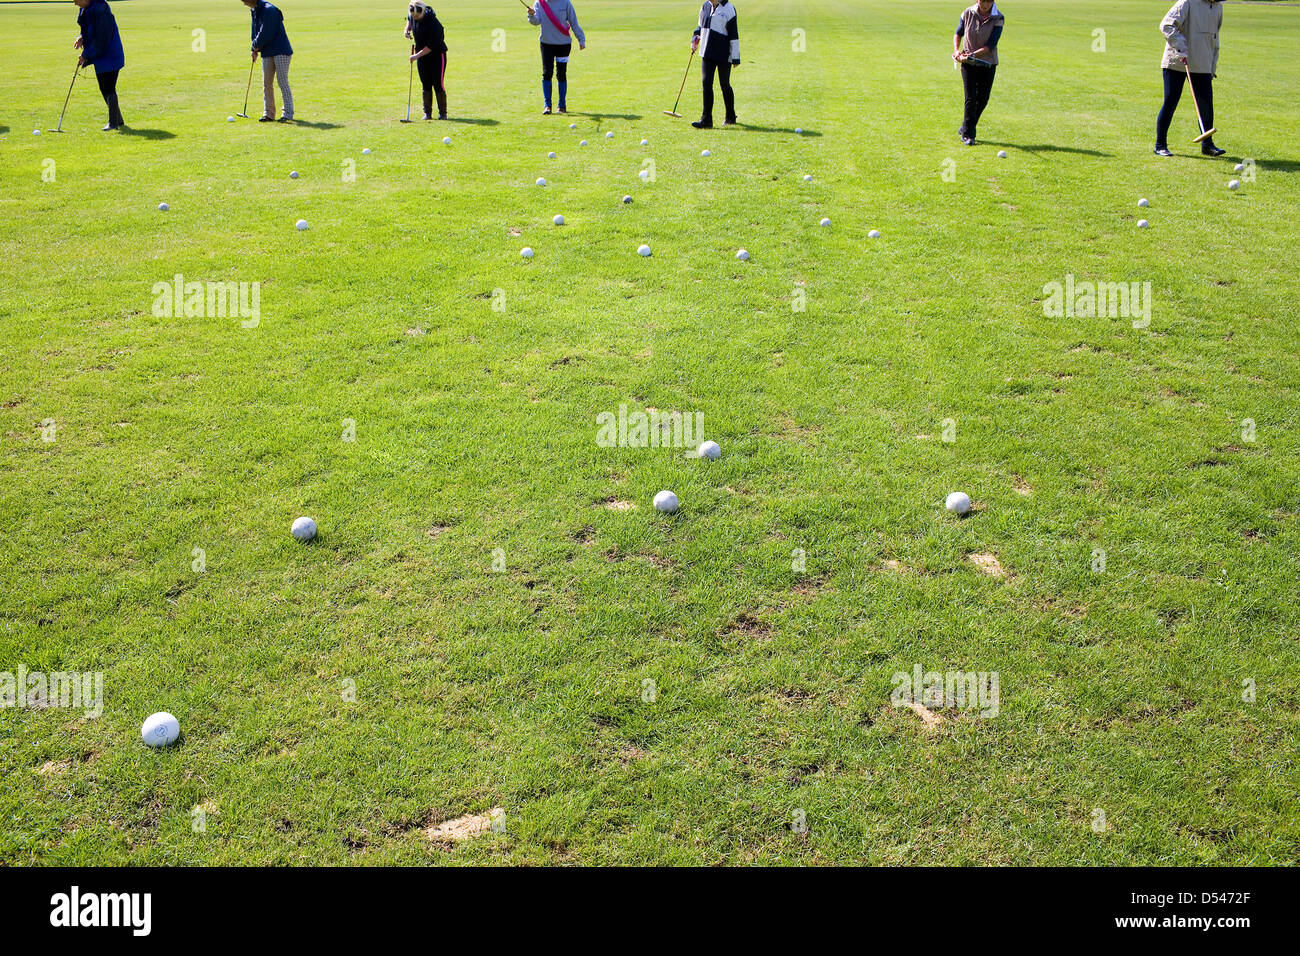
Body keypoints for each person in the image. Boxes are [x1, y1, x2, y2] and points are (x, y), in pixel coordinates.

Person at [1155, 0, 1224, 157]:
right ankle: (1160, 145)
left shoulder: (1218, 7)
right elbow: (1167, 25)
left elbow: (1214, 39)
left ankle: (1208, 145)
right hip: (1178, 61)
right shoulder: (1188, 2)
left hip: (1202, 64)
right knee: (1171, 101)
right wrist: (1180, 46)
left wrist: (1212, 67)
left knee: (1206, 104)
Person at [952, 1, 1004, 146]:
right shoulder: (968, 12)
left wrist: (972, 54)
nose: (985, 5)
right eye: (983, 1)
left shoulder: (998, 18)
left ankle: (965, 126)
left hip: (988, 63)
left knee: (983, 99)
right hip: (968, 64)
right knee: (970, 98)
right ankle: (968, 135)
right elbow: (958, 33)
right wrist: (957, 51)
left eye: (989, 1)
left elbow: (991, 45)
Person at [73, 0, 125, 131]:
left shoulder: (101, 10)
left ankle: (113, 123)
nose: (74, 3)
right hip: (101, 56)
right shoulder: (86, 9)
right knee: (104, 88)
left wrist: (86, 54)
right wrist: (81, 37)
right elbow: (88, 29)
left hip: (110, 54)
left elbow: (101, 39)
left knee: (108, 87)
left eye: (76, 0)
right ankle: (118, 120)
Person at [526, 0, 585, 115]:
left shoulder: (566, 3)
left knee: (561, 74)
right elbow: (536, 22)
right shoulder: (539, 3)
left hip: (564, 44)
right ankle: (547, 106)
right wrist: (531, 14)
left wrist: (581, 39)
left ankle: (561, 106)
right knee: (547, 73)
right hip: (546, 44)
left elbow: (573, 22)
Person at [241, 0, 294, 123]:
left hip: (280, 50)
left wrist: (255, 45)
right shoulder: (254, 10)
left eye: (245, 1)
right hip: (267, 51)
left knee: (282, 82)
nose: (244, 3)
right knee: (266, 83)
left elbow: (266, 32)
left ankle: (288, 113)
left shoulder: (269, 10)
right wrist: (253, 49)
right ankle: (269, 113)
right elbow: (255, 31)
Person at [691, 1, 740, 129]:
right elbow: (700, 26)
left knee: (724, 84)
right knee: (706, 83)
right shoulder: (705, 6)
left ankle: (730, 116)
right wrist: (695, 37)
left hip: (723, 54)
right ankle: (706, 119)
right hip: (706, 52)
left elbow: (734, 34)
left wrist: (735, 57)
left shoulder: (729, 9)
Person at [406, 2, 448, 120]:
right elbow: (409, 19)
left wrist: (416, 56)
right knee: (426, 84)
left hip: (437, 56)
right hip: (422, 57)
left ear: (423, 12)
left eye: (417, 17)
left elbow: (430, 46)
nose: (415, 18)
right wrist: (407, 30)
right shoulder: (413, 15)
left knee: (438, 84)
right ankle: (427, 114)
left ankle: (443, 113)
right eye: (413, 16)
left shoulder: (435, 25)